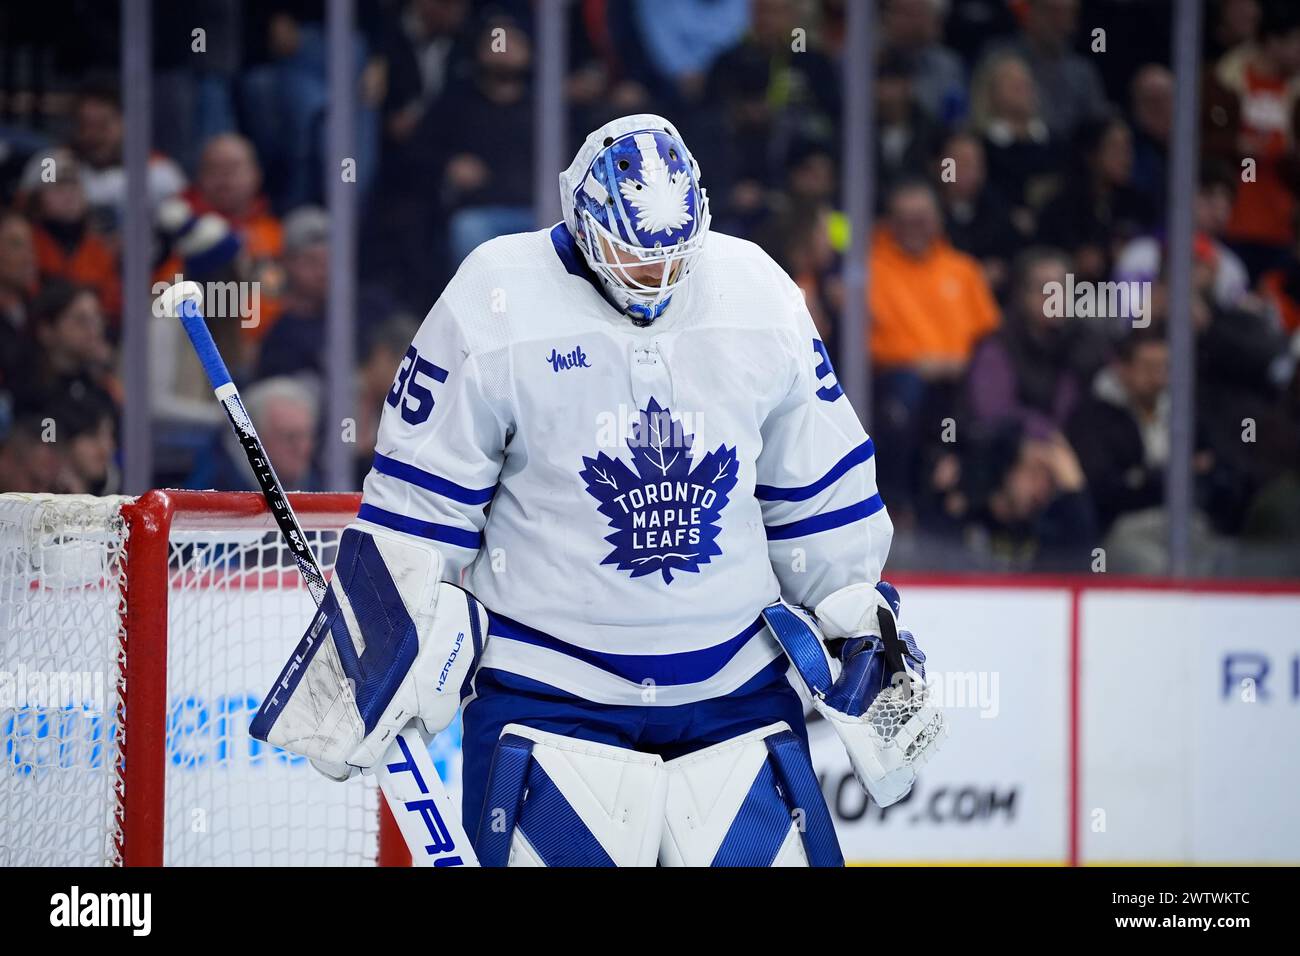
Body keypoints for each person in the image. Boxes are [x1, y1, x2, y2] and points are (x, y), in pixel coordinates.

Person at [251, 114, 946, 867]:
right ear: (579, 220)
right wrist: (376, 643)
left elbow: (817, 488)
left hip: (737, 689)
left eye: (671, 257)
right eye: (630, 255)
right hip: (548, 692)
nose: (653, 277)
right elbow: (420, 508)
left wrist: (854, 616)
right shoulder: (493, 298)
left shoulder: (758, 292)